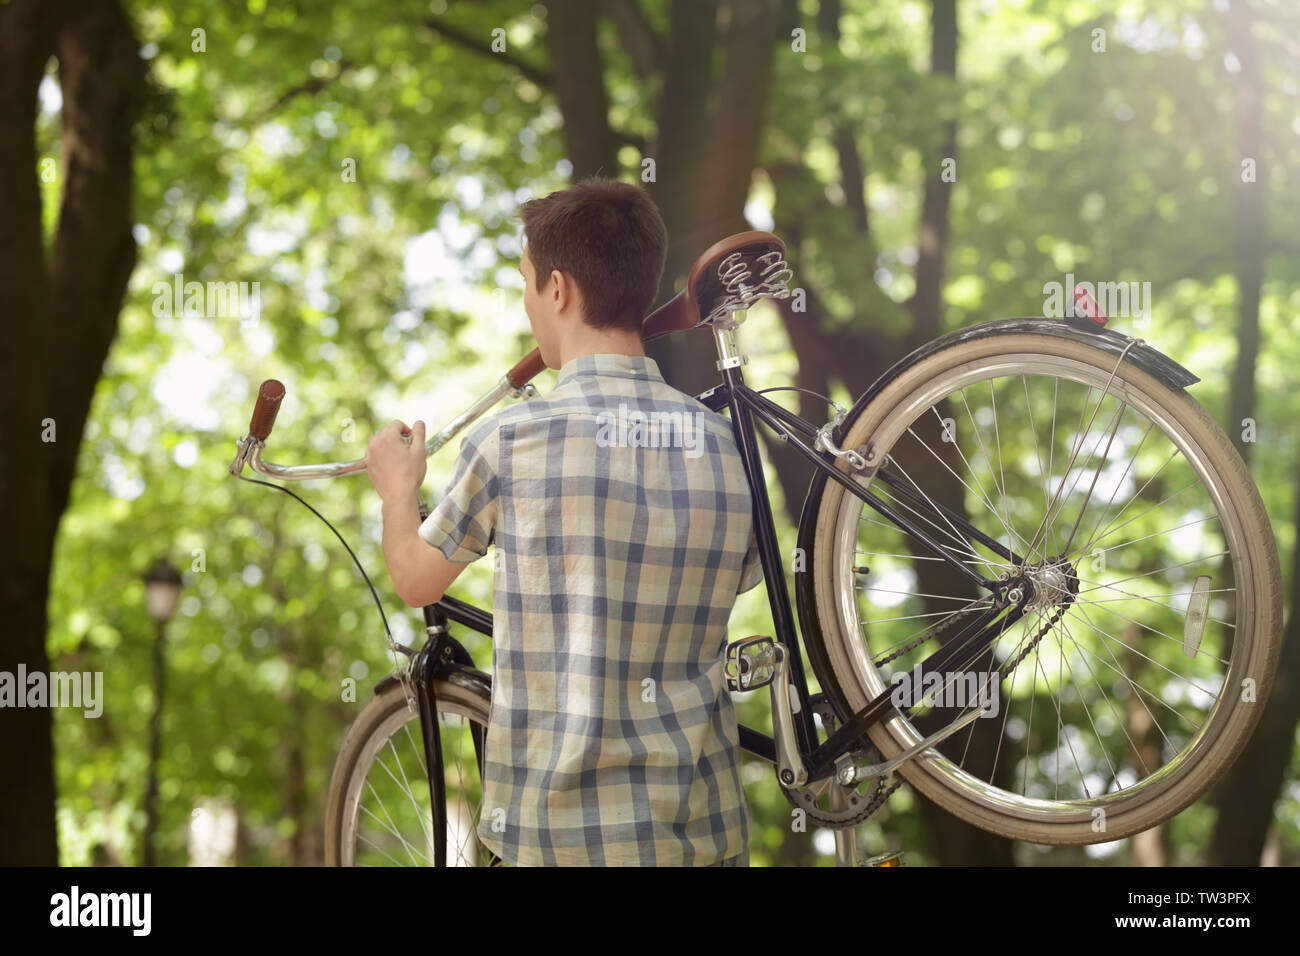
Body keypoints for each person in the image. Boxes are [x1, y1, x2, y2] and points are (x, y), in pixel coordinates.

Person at [365, 176, 762, 866]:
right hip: (704, 832)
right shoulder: (724, 444)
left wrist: (399, 489)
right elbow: (744, 578)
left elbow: (415, 579)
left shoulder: (513, 442)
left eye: (527, 285)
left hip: (562, 837)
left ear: (557, 290)